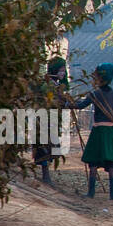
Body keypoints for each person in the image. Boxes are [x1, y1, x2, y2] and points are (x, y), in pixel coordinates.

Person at [70, 63, 113, 199]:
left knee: (94, 162)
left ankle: (91, 193)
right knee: (111, 163)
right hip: (112, 131)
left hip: (99, 130)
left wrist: (66, 104)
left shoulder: (95, 94)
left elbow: (80, 106)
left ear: (100, 79)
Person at [33, 56, 70, 185]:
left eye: (64, 71)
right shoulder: (47, 85)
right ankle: (45, 176)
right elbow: (49, 103)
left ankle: (46, 175)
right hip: (44, 120)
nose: (63, 73)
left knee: (51, 147)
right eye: (61, 70)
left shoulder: (57, 86)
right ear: (54, 70)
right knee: (44, 147)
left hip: (53, 121)